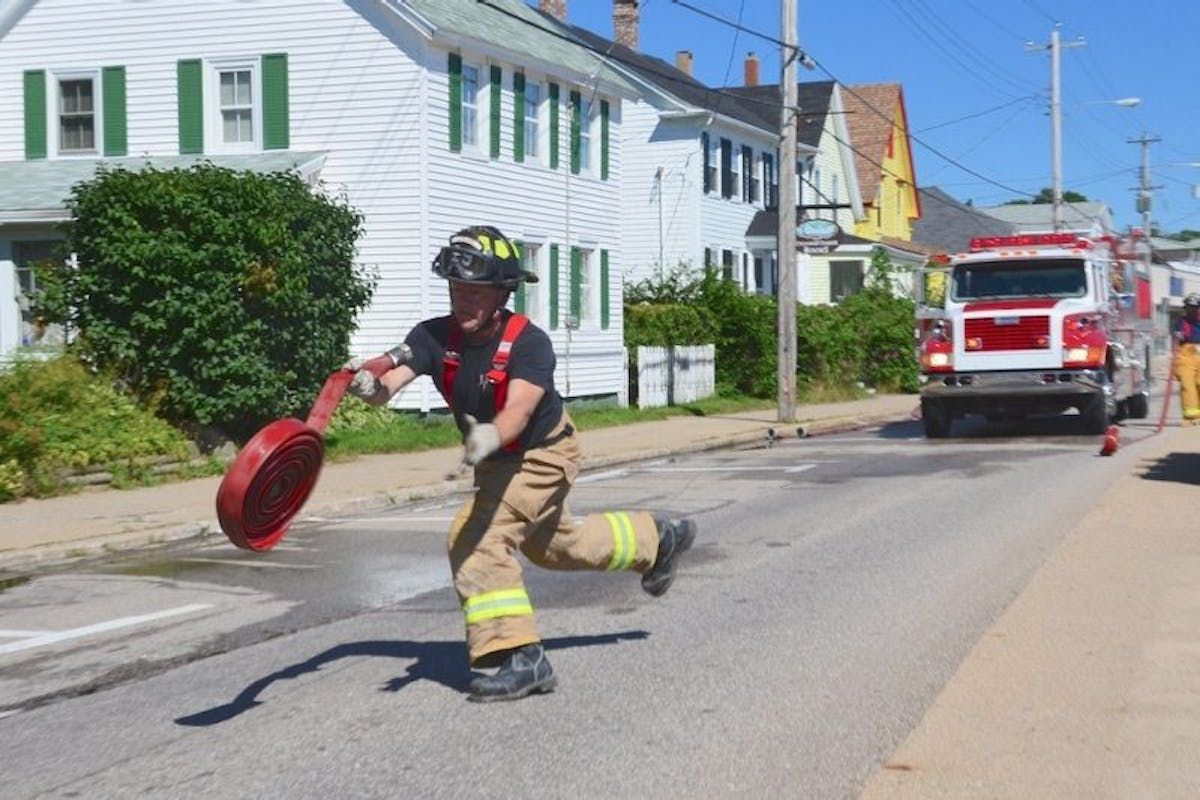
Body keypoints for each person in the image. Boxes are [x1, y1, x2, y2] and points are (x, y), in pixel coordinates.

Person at [343, 225, 697, 702]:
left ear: (502, 293)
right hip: (498, 464)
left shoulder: (529, 343)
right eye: (456, 289)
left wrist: (489, 435)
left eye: (475, 292)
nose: (463, 301)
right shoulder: (432, 336)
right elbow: (390, 383)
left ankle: (520, 656)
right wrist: (370, 388)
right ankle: (656, 539)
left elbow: (517, 412)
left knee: (476, 538)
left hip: (543, 454)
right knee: (555, 547)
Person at [1174, 293, 1200, 425]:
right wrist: (1179, 335)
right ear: (1185, 307)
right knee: (1187, 384)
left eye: (1195, 307)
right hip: (1185, 353)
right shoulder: (1180, 322)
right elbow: (1177, 334)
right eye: (1190, 307)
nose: (1192, 310)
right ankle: (1190, 416)